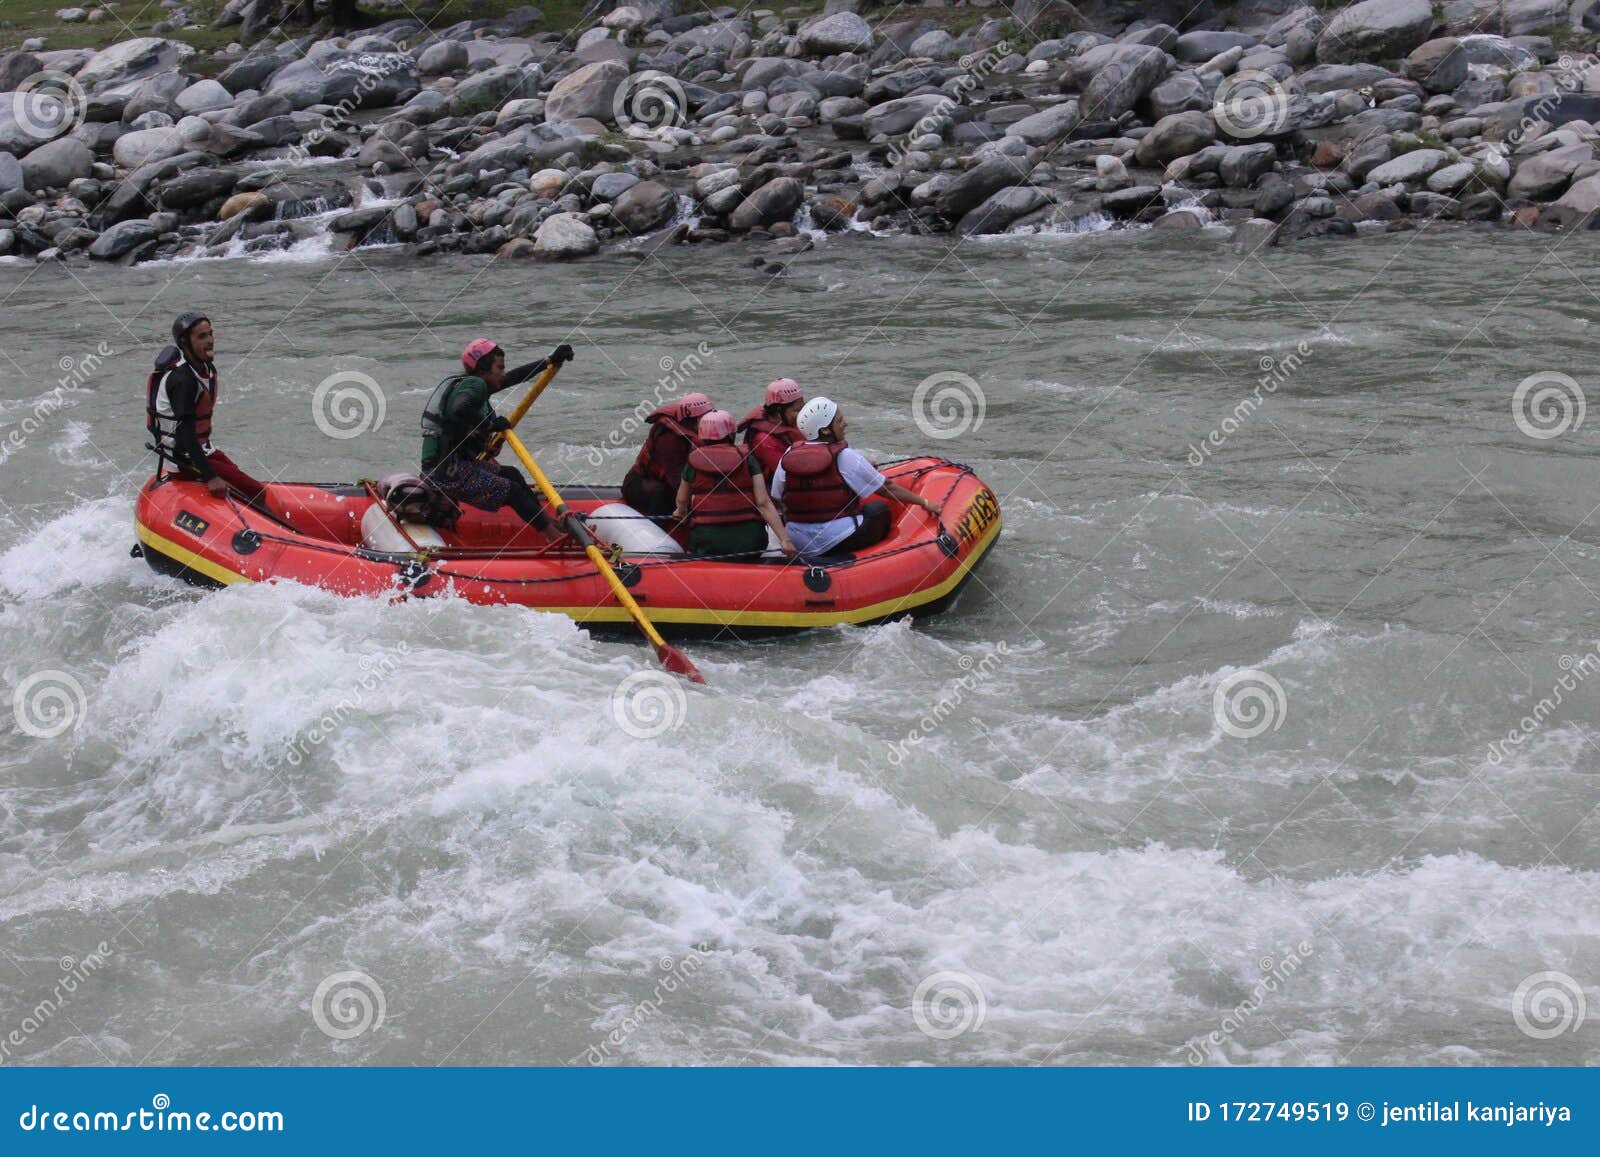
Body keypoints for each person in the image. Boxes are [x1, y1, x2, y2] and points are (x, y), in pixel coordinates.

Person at [420, 338, 573, 534]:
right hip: (446, 473)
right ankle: (553, 536)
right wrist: (490, 425)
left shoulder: (475, 384)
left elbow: (513, 378)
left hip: (453, 467)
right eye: (499, 368)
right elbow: (460, 409)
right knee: (512, 490)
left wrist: (549, 361)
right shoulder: (475, 385)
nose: (503, 373)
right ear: (483, 369)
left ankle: (551, 523)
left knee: (512, 474)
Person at [770, 396, 942, 557]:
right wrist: (925, 502)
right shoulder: (845, 456)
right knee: (877, 509)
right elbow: (887, 487)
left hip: (798, 540)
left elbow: (777, 496)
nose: (845, 424)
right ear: (825, 430)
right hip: (836, 542)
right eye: (839, 421)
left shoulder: (789, 453)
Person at [146, 313, 270, 504]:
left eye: (210, 334)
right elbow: (186, 436)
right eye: (202, 337)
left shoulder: (204, 368)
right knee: (256, 492)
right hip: (183, 460)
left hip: (202, 451)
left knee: (238, 477)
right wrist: (210, 477)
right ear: (185, 343)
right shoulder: (183, 380)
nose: (210, 341)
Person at [672, 410, 796, 560]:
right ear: (731, 434)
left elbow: (682, 500)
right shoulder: (748, 458)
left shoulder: (693, 462)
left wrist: (681, 511)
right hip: (751, 544)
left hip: (706, 545)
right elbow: (763, 503)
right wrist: (784, 539)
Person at [622, 391, 713, 518]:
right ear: (694, 419)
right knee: (662, 493)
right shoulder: (669, 439)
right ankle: (658, 531)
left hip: (668, 482)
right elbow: (676, 480)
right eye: (706, 418)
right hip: (641, 484)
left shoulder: (695, 432)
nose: (711, 422)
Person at [738, 377, 805, 478]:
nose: (803, 414)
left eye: (803, 407)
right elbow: (786, 475)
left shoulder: (793, 423)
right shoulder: (764, 441)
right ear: (778, 412)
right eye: (797, 410)